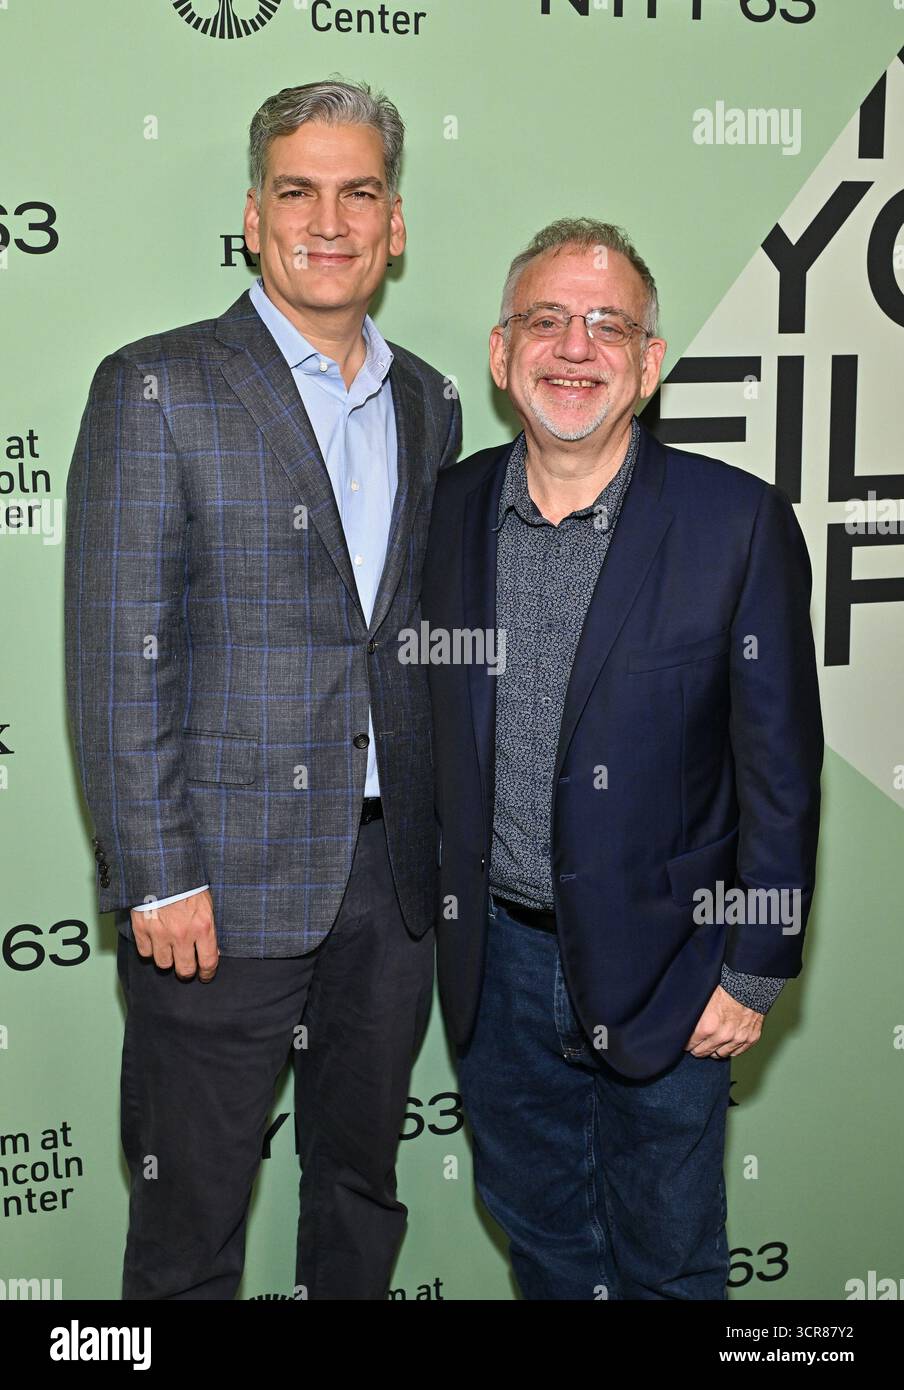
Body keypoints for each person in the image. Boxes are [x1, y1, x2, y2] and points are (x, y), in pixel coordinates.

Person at [64, 78, 461, 1301]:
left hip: (391, 886)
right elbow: (117, 656)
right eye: (298, 191)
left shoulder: (431, 400)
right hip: (216, 889)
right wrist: (160, 869)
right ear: (253, 216)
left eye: (359, 193)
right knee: (190, 1224)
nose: (328, 220)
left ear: (396, 223)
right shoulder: (156, 386)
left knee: (359, 1192)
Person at [421, 217, 822, 1300]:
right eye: (545, 320)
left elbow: (782, 770)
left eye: (608, 324)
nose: (574, 347)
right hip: (495, 969)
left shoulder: (733, 523)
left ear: (648, 363)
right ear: (502, 354)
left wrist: (754, 966)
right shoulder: (448, 511)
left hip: (675, 970)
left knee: (669, 1265)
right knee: (548, 1250)